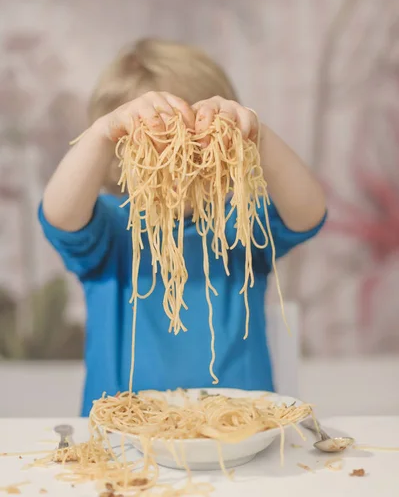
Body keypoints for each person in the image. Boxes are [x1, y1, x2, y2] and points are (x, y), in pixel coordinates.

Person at [39, 38, 326, 416]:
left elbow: (307, 212)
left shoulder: (237, 226)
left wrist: (257, 135)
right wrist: (103, 133)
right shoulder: (111, 227)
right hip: (120, 443)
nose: (181, 166)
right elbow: (60, 216)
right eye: (154, 149)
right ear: (117, 159)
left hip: (240, 434)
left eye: (199, 145)